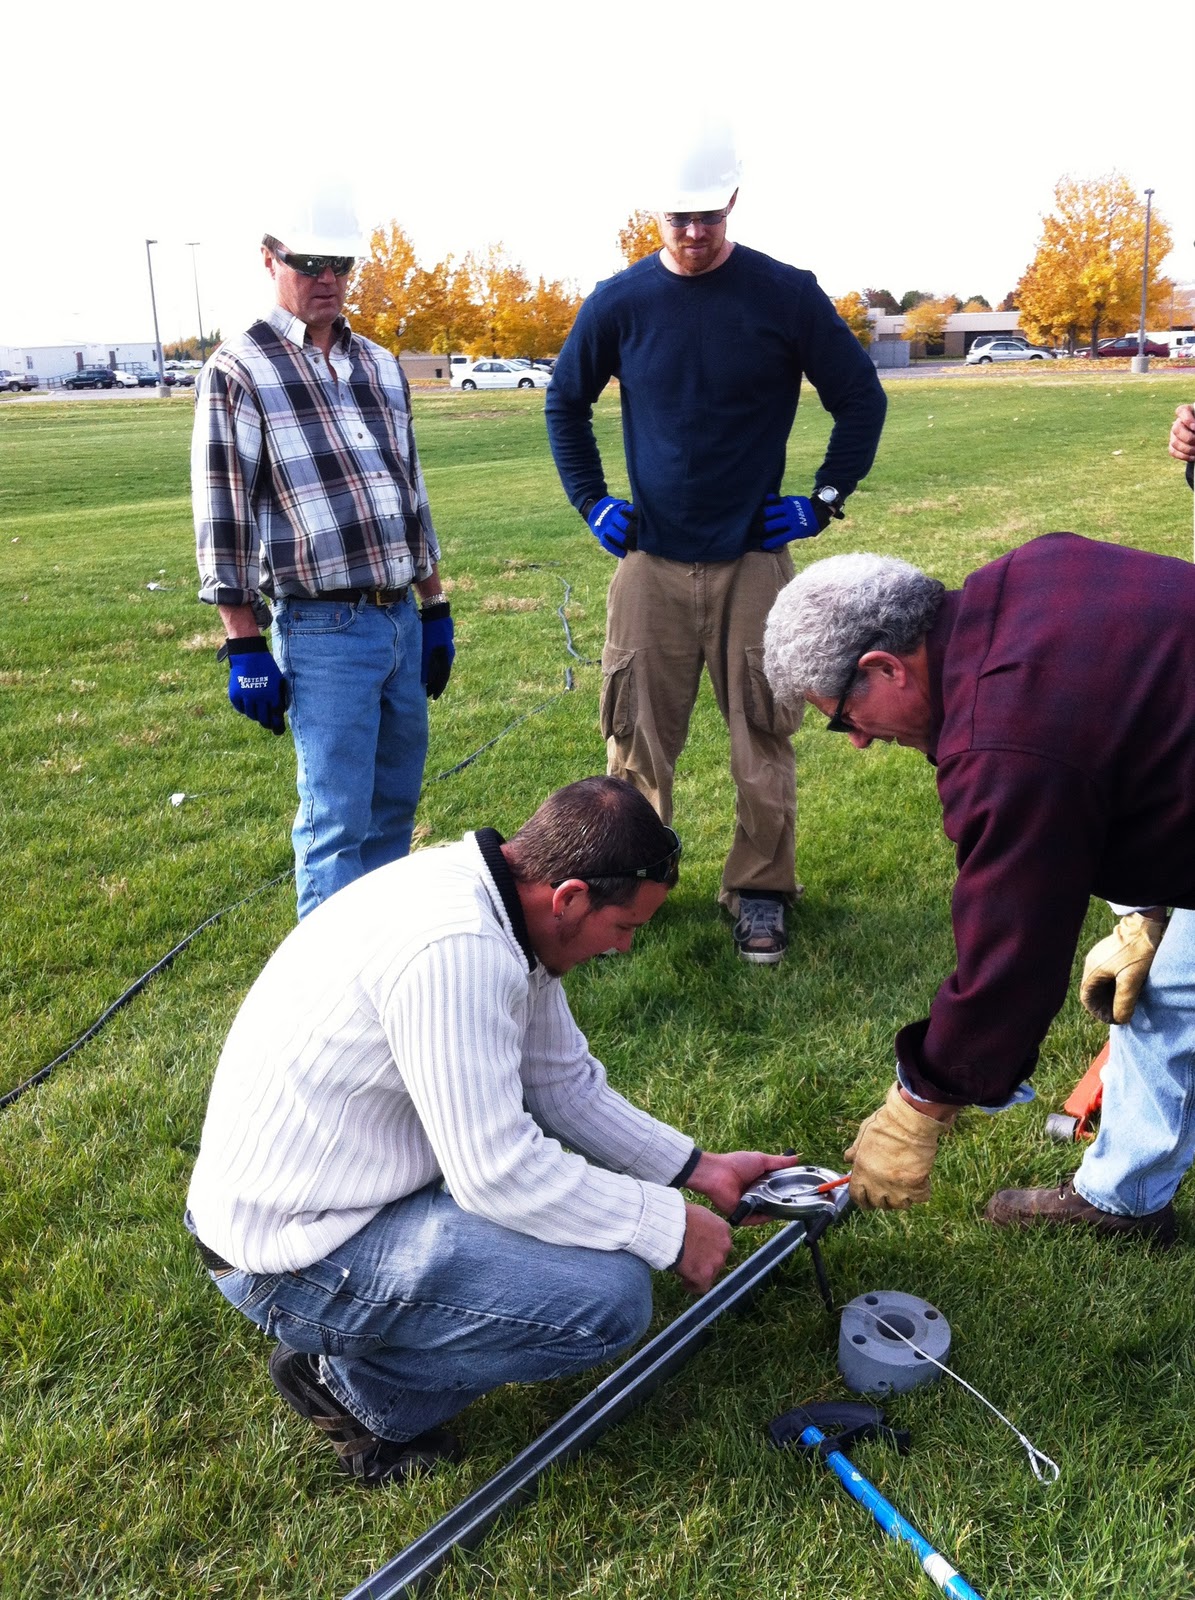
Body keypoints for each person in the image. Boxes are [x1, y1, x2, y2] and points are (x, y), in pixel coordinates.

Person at [186, 777, 793, 1485]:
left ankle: (370, 1351)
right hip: (287, 1253)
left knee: (596, 1254)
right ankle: (352, 1392)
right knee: (607, 1301)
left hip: (347, 1191)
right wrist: (667, 1224)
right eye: (625, 927)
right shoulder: (455, 948)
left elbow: (562, 1086)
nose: (624, 948)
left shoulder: (498, 904)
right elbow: (496, 1172)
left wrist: (698, 1168)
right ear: (569, 898)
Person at [763, 529, 1195, 1244]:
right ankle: (1126, 1203)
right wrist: (1150, 909)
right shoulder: (1034, 567)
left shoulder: (1004, 743)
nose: (858, 741)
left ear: (885, 667)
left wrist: (921, 1102)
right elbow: (1146, 725)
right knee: (1171, 989)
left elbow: (1011, 951)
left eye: (843, 716)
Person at [545, 124, 887, 966]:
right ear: (653, 213)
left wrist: (821, 503)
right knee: (635, 740)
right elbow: (563, 404)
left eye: (706, 214)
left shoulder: (783, 294)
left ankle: (760, 891)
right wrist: (592, 503)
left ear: (731, 201)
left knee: (761, 733)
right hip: (649, 564)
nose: (693, 232)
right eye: (677, 217)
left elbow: (859, 397)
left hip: (752, 565)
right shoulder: (618, 302)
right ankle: (626, 890)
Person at [192, 179, 455, 919]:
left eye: (340, 263)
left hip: (399, 618)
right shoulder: (240, 370)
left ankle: (378, 959)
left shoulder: (376, 364)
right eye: (309, 263)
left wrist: (435, 607)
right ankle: (328, 994)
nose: (327, 279)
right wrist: (243, 644)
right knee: (335, 820)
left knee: (394, 806)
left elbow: (411, 491)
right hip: (321, 629)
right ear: (269, 259)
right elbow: (224, 513)